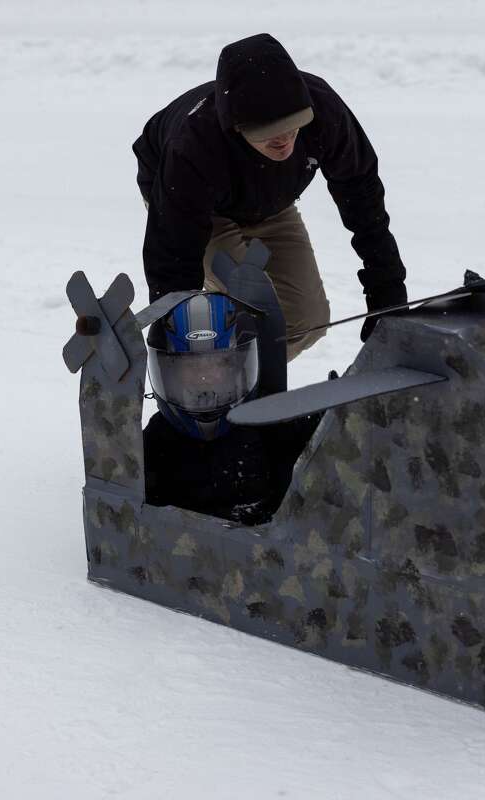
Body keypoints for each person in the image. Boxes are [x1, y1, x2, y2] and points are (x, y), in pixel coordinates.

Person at [133, 33, 408, 360]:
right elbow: (174, 251)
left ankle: (246, 385)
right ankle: (217, 392)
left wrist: (386, 287)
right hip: (200, 209)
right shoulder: (194, 146)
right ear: (236, 127)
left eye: (293, 126)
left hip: (270, 201)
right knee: (257, 304)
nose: (284, 140)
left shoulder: (324, 111)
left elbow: (363, 197)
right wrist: (175, 351)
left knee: (308, 320)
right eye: (268, 133)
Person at [143, 292, 318, 525]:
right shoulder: (155, 443)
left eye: (220, 363)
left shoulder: (267, 422)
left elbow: (318, 447)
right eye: (192, 366)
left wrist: (336, 418)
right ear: (167, 372)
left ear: (239, 366)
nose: (205, 376)